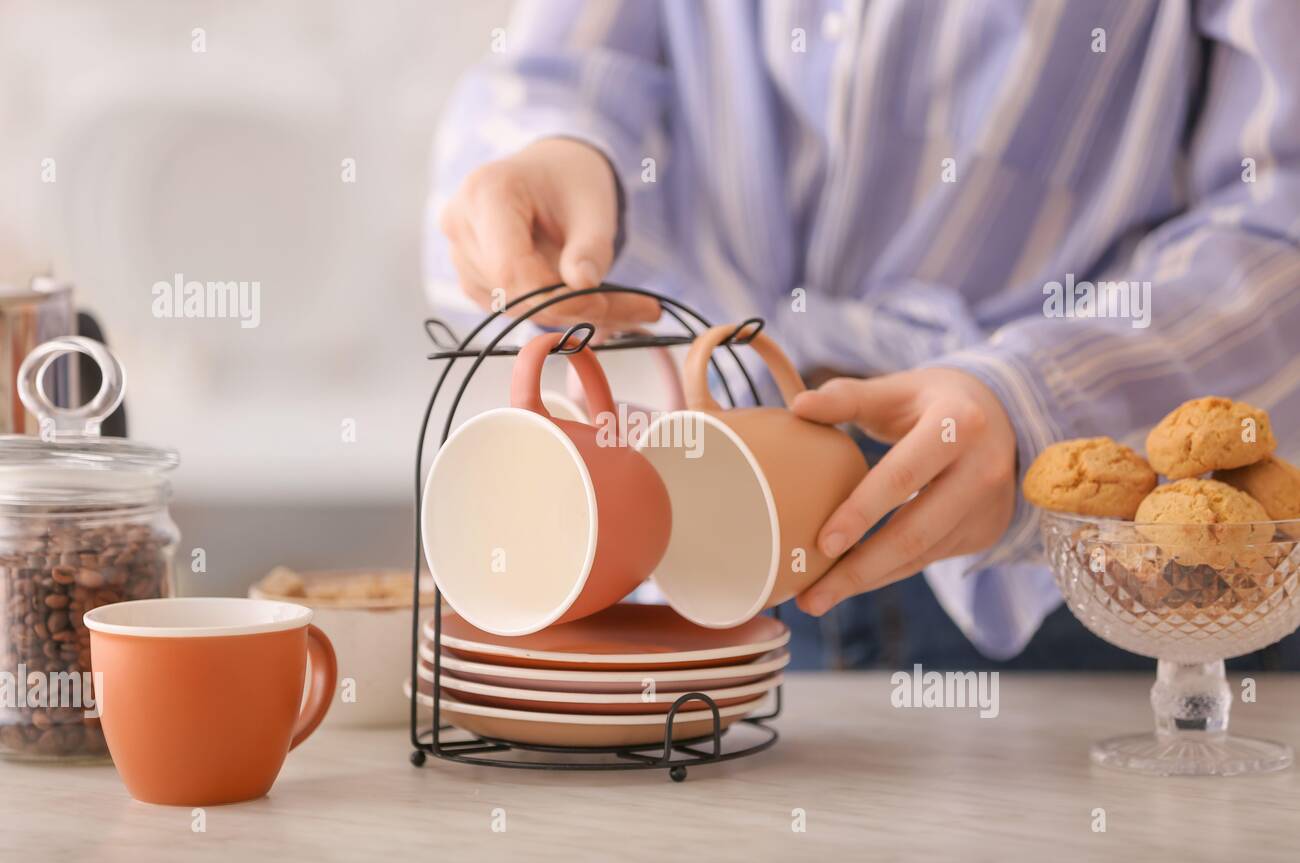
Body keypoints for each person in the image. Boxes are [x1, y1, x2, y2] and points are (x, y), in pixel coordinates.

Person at [424, 0, 1300, 668]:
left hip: (1083, 596)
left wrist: (1037, 399)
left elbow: (1282, 203)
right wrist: (558, 150)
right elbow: (561, 66)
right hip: (702, 567)